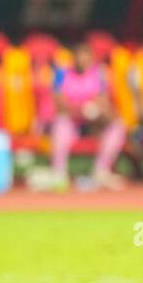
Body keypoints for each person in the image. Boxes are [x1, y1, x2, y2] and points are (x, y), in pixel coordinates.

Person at [48, 42, 127, 191]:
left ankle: (101, 170)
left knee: (117, 124)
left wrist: (95, 111)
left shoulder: (99, 73)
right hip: (71, 118)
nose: (83, 62)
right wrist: (80, 110)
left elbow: (102, 100)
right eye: (80, 58)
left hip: (92, 121)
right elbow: (60, 103)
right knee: (61, 124)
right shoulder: (62, 74)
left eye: (87, 58)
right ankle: (59, 171)